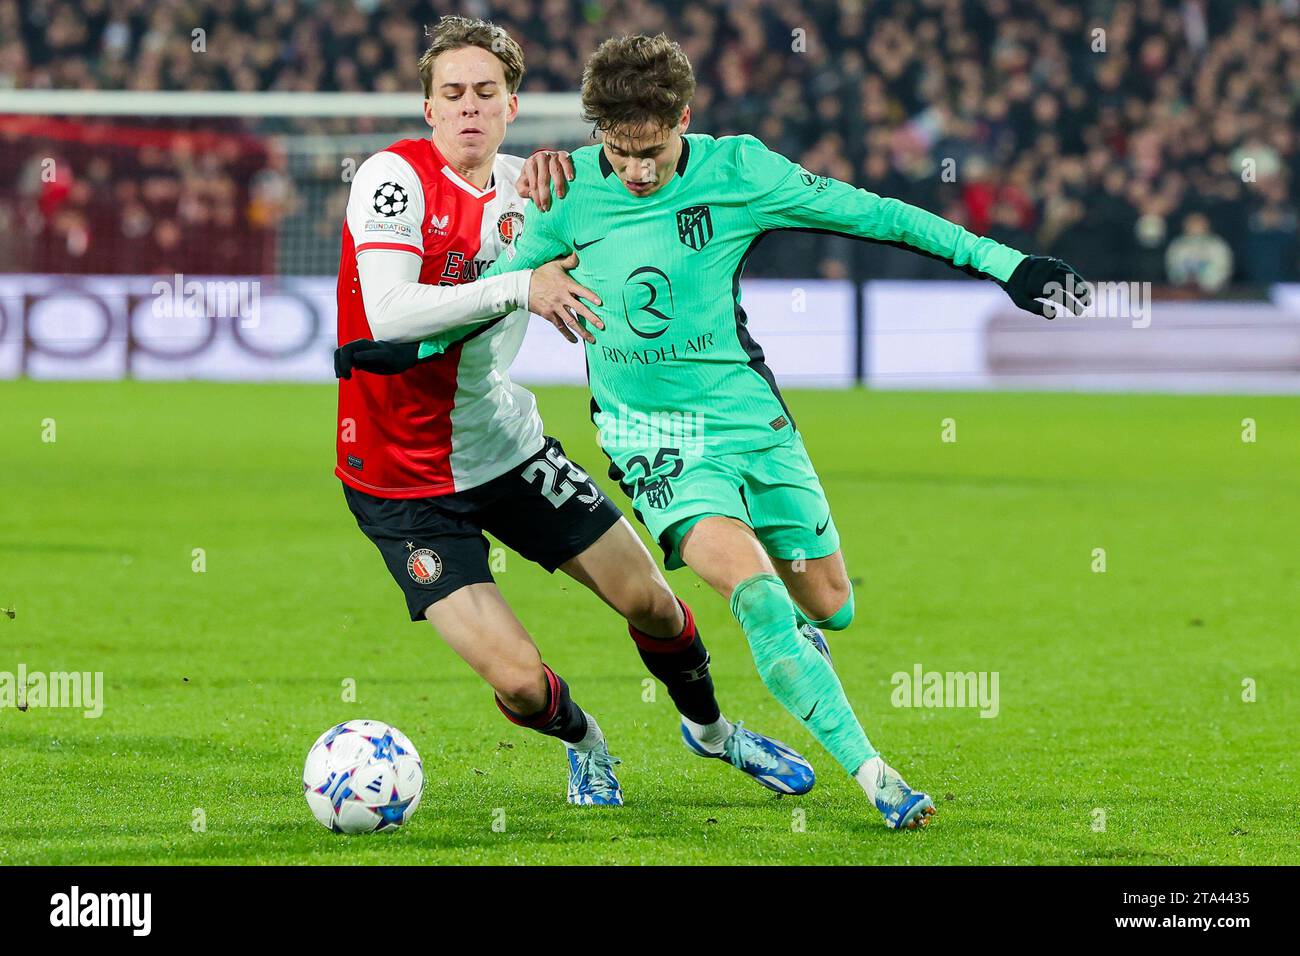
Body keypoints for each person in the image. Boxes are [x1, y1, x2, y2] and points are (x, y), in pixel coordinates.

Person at [341, 33, 1090, 830]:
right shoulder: (529, 192)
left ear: (684, 121)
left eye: (651, 152)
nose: (634, 170)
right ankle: (855, 775)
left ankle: (717, 725)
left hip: (695, 423)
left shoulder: (703, 174)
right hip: (625, 444)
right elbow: (470, 294)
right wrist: (397, 345)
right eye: (618, 151)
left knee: (811, 603)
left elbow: (873, 214)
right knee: (729, 603)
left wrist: (1005, 264)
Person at [335, 17, 815, 809]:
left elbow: (643, 207)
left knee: (654, 604)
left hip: (508, 449)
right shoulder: (394, 180)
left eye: (486, 93)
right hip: (401, 485)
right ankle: (586, 742)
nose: (469, 109)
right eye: (451, 94)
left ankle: (714, 733)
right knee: (523, 685)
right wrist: (523, 284)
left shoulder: (541, 190)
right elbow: (387, 315)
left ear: (512, 105)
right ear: (427, 109)